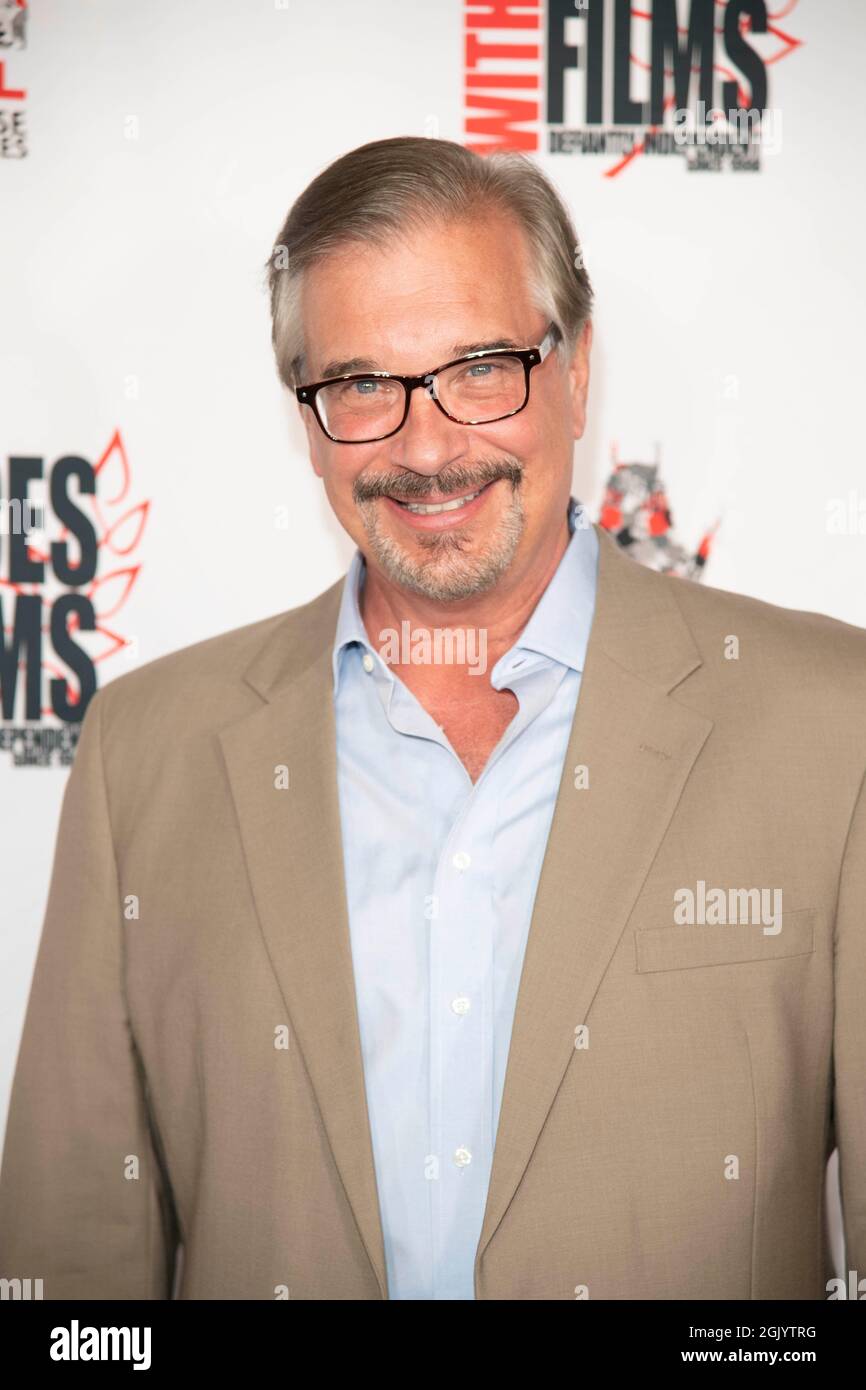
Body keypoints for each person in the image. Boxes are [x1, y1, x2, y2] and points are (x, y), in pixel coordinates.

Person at [1, 136, 864, 1301]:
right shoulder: (144, 755)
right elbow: (70, 1264)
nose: (424, 447)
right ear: (307, 420)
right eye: (361, 384)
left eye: (479, 368)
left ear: (575, 370)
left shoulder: (831, 726)